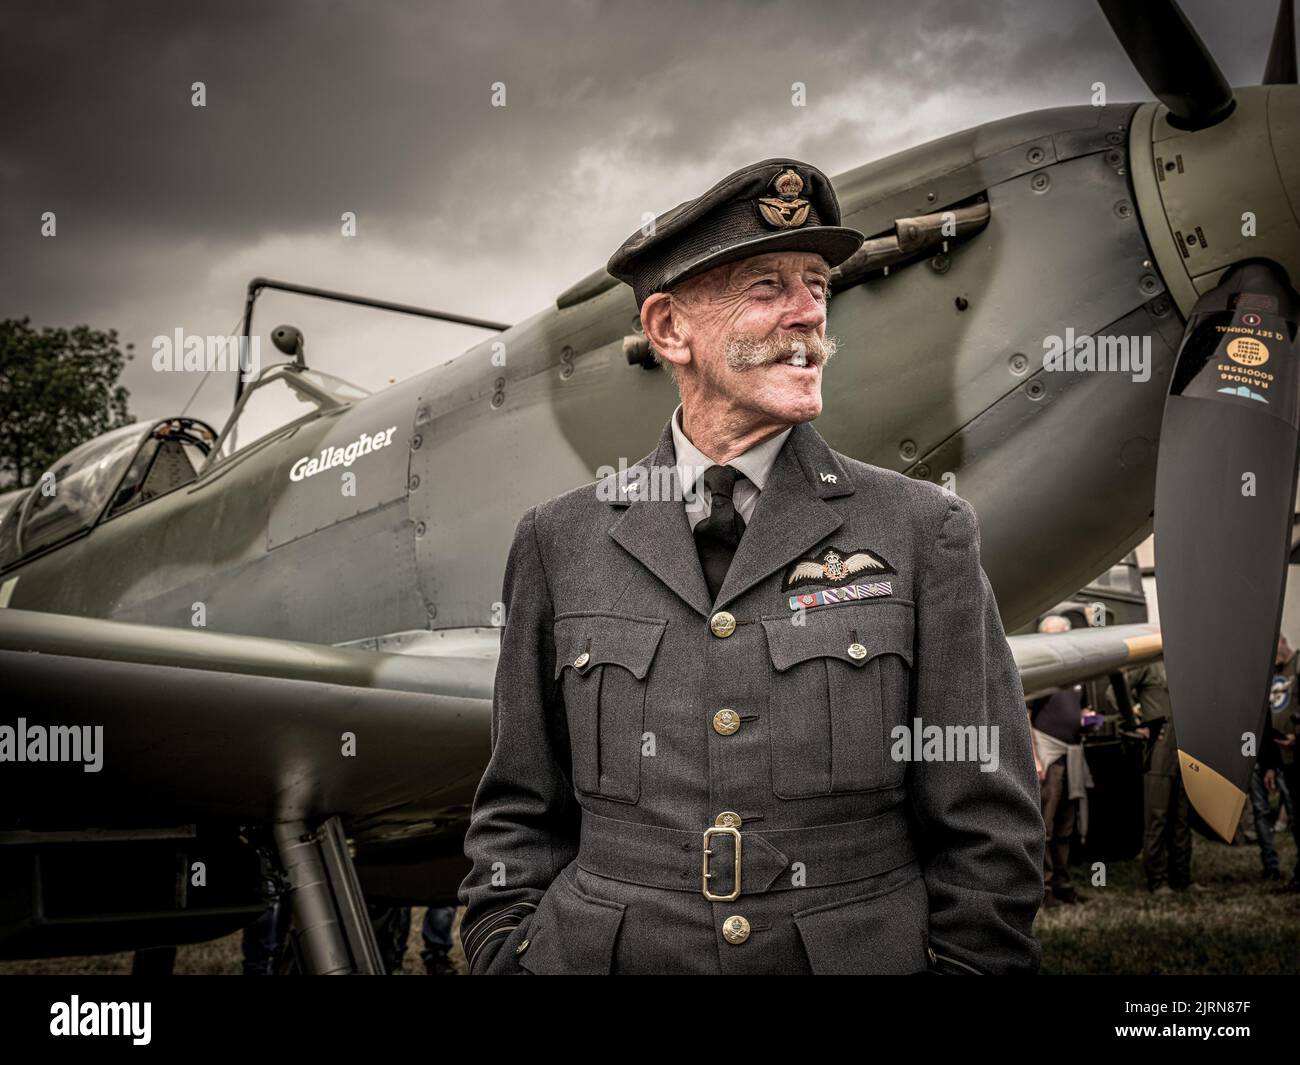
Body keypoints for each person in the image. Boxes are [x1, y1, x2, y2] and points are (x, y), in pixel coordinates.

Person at [457, 158, 1043, 975]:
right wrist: (505, 954)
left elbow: (988, 829)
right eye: (767, 287)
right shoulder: (560, 542)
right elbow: (520, 810)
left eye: (817, 285)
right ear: (668, 330)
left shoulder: (924, 532)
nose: (810, 312)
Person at [1027, 615, 1090, 906]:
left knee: (1066, 825)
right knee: (1046, 827)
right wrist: (1036, 759)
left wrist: (1086, 719)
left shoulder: (1077, 672)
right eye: (1052, 634)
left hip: (1073, 754)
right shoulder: (1041, 670)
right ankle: (1044, 890)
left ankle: (1064, 884)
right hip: (1049, 755)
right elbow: (1025, 716)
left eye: (1063, 633)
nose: (1058, 638)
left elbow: (1082, 708)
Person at [1261, 634, 1300, 892]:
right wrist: (1270, 765)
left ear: (1282, 641)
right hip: (1283, 759)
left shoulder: (1297, 664)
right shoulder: (1270, 672)